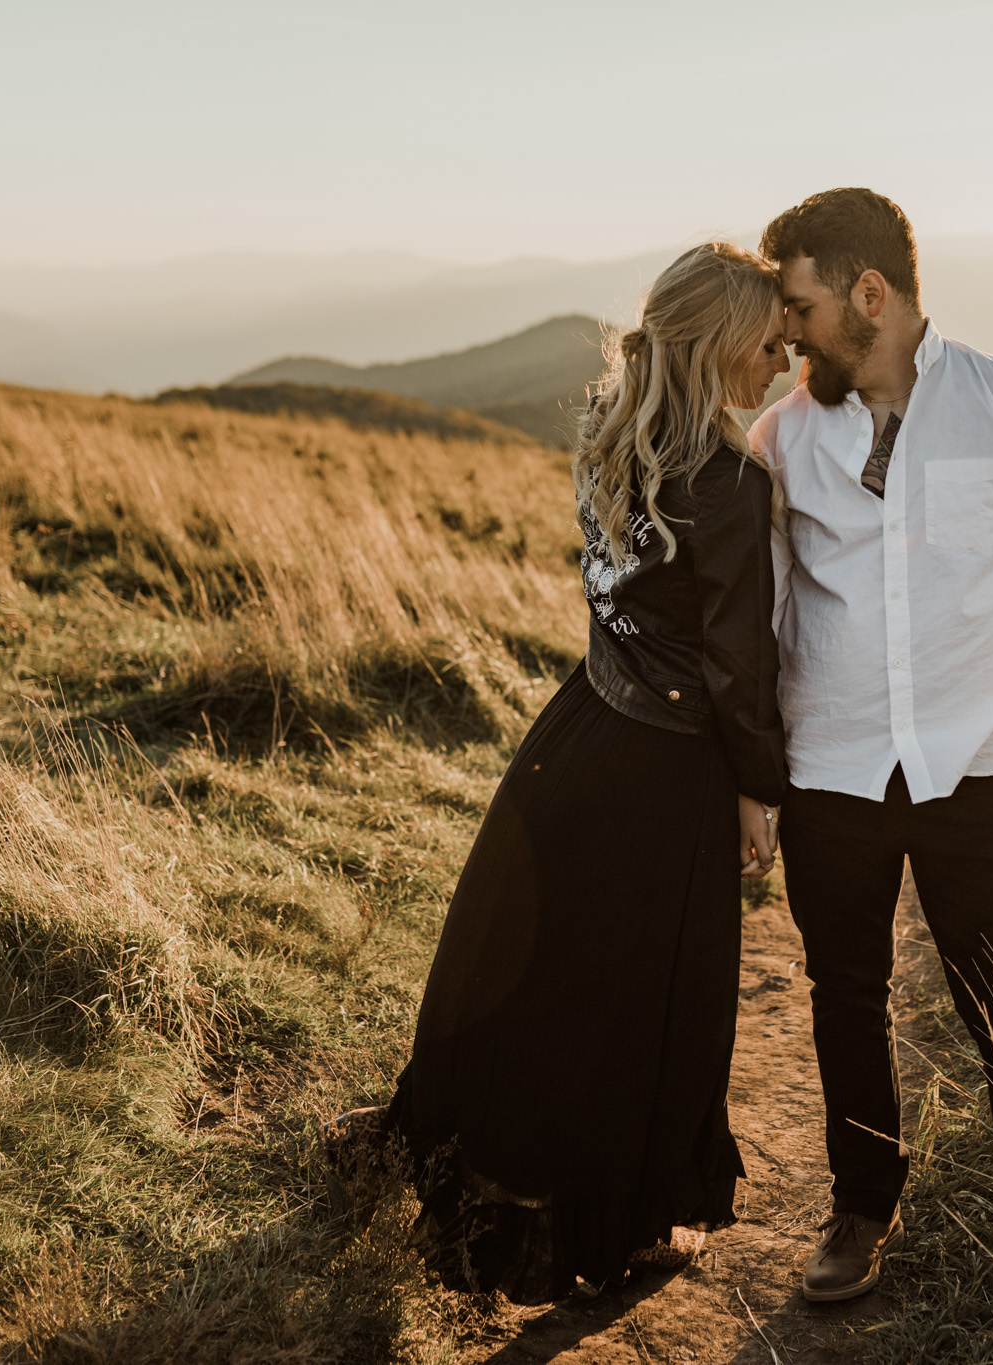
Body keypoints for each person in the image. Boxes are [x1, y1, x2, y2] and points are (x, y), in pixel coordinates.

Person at [325, 241, 792, 1303]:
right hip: (665, 773)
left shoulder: (610, 439)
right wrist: (760, 790)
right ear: (723, 346)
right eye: (768, 345)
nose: (780, 366)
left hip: (578, 731)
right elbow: (735, 661)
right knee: (642, 1002)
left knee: (533, 978)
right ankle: (620, 1225)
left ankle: (478, 1166)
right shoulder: (724, 484)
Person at [748, 188, 993, 1301]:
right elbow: (756, 623)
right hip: (827, 773)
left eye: (800, 307)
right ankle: (862, 1206)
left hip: (969, 777)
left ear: (871, 294)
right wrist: (753, 789)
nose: (784, 333)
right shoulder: (781, 434)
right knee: (842, 995)